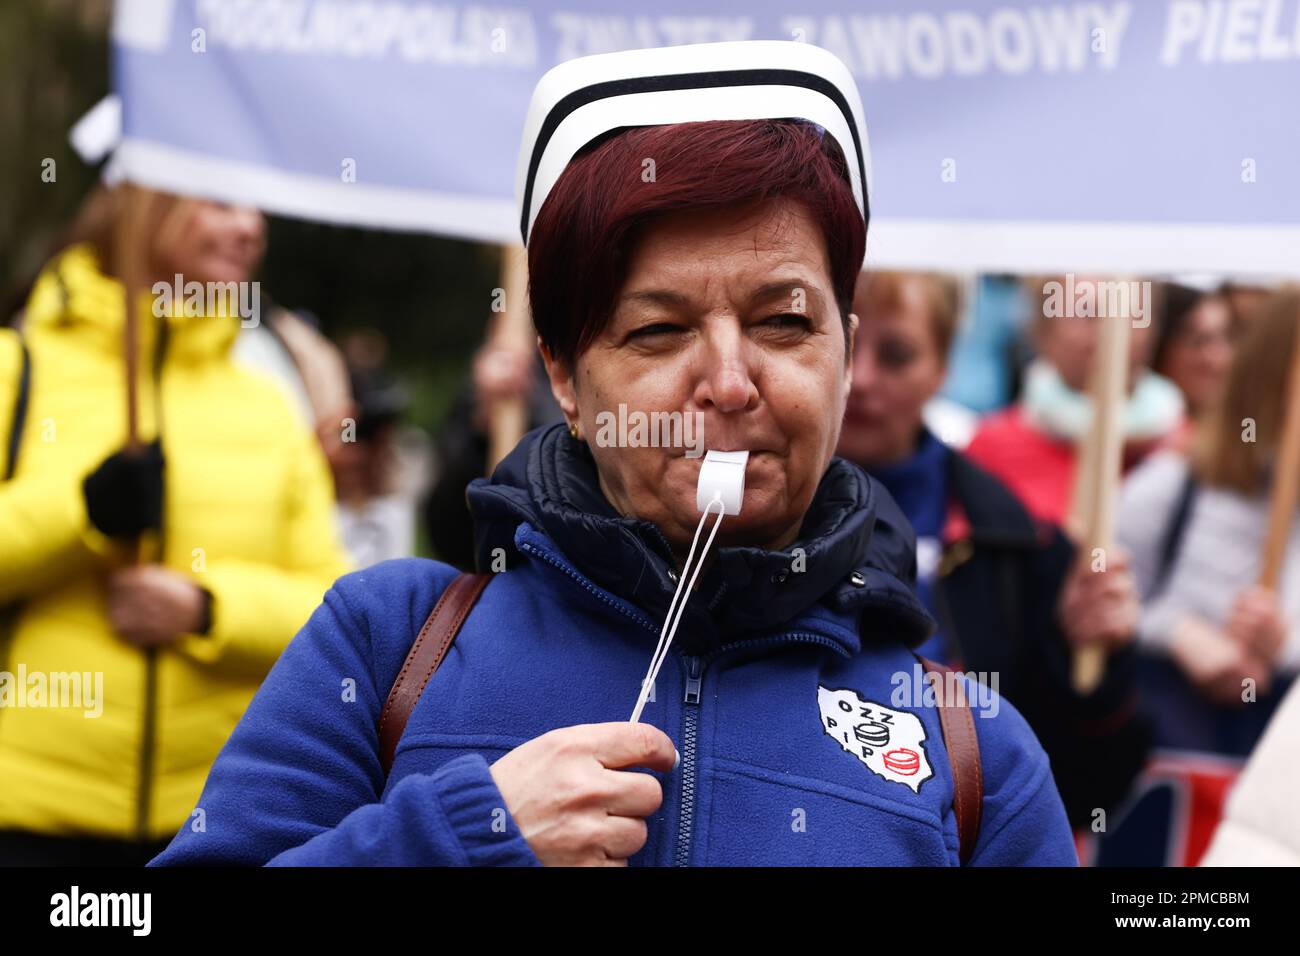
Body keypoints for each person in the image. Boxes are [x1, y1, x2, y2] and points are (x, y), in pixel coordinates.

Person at [151, 41, 1076, 867]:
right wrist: (467, 837)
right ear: (563, 375)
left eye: (785, 322)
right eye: (658, 330)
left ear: (843, 352)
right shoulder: (389, 642)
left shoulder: (972, 750)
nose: (728, 381)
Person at [0, 184, 352, 865]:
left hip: (217, 822)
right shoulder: (18, 367)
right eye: (220, 201)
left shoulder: (267, 405)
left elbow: (335, 607)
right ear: (139, 203)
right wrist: (82, 515)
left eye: (255, 207)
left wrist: (205, 608)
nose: (249, 226)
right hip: (29, 818)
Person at [837, 270, 1149, 827]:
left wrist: (1099, 667)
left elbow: (1083, 786)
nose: (861, 379)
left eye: (897, 354)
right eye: (846, 343)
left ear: (943, 368)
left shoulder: (1012, 540)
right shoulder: (737, 515)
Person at [1117, 288, 1300, 757]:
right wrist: (1181, 633)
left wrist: (1283, 646)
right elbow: (1093, 617)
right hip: (1181, 770)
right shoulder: (1173, 487)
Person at [965, 275, 1184, 528]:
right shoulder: (988, 449)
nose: (1107, 332)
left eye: (1129, 315)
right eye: (1087, 314)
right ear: (1043, 332)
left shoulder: (1183, 449)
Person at [1149, 282, 1233, 444]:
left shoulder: (1244, 431)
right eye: (1198, 342)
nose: (1219, 359)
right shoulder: (1139, 437)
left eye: (1227, 338)